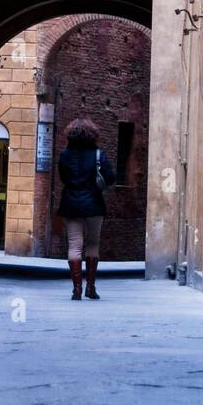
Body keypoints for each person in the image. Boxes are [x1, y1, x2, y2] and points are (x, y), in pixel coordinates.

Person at [56, 117, 115, 299]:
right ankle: (90, 287)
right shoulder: (98, 155)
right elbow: (111, 177)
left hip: (71, 204)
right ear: (92, 135)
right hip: (94, 205)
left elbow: (63, 178)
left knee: (74, 245)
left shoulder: (65, 155)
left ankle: (77, 289)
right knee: (92, 244)